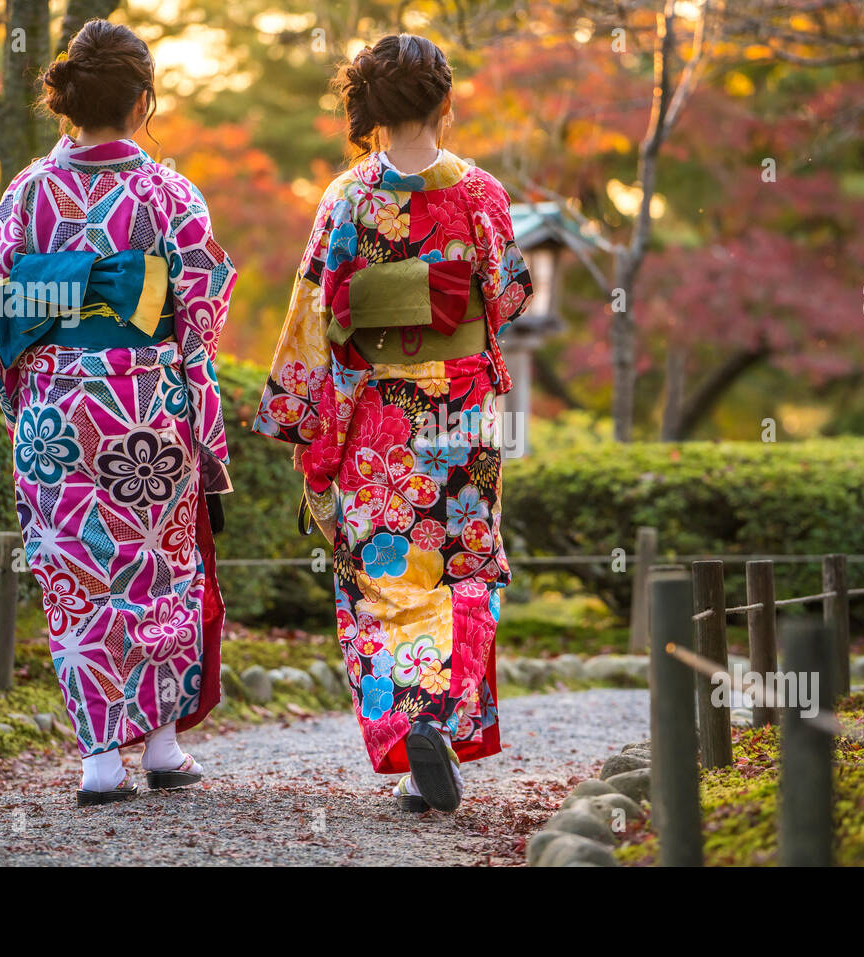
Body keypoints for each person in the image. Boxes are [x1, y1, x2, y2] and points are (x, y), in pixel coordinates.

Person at [253, 33, 533, 813]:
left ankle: (414, 729)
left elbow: (314, 313)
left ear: (370, 109)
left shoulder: (347, 198)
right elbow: (507, 296)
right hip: (464, 410)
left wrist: (307, 424)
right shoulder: (481, 193)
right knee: (466, 567)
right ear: (447, 103)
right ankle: (437, 727)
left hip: (379, 417)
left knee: (384, 574)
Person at [0, 19, 236, 806]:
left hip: (54, 406)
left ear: (68, 99)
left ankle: (99, 762)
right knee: (157, 569)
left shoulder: (29, 191)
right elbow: (200, 308)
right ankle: (159, 744)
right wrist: (196, 408)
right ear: (144, 100)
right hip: (144, 404)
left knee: (75, 576)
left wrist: (43, 337)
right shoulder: (169, 192)